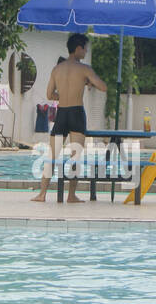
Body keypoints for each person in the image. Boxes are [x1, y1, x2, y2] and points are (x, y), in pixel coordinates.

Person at [31, 34, 107, 203]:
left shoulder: (56, 69)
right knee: (75, 156)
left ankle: (42, 194)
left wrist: (64, 95)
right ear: (78, 48)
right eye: (85, 48)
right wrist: (88, 82)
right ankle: (71, 195)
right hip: (77, 113)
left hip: (62, 113)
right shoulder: (85, 69)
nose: (86, 51)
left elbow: (49, 94)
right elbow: (103, 87)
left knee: (52, 155)